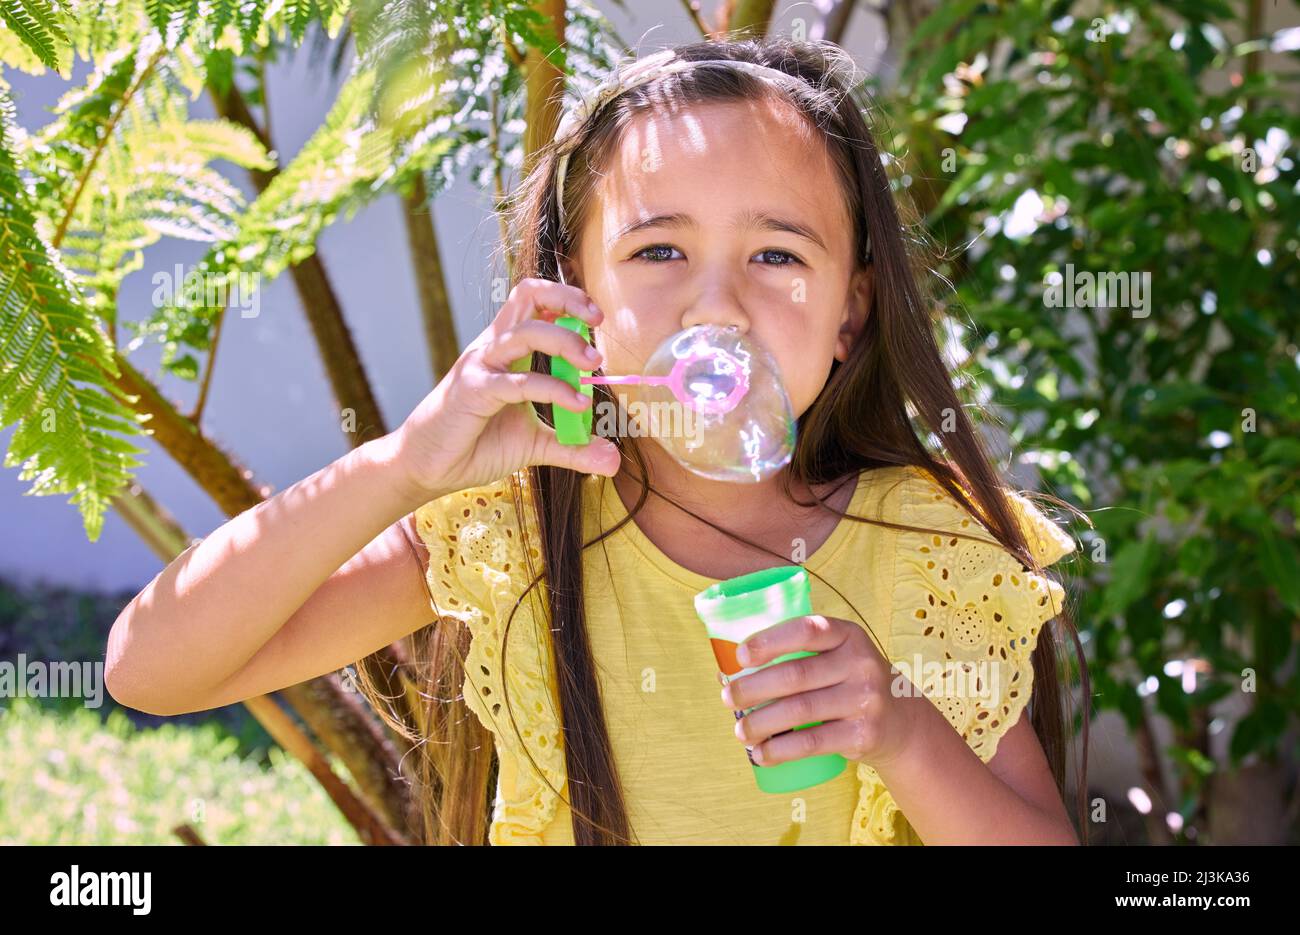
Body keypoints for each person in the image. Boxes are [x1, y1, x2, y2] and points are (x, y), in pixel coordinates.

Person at [106, 36, 1086, 846]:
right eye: (659, 249)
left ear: (849, 313)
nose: (718, 304)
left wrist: (904, 729)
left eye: (777, 253)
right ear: (575, 291)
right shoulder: (510, 531)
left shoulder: (927, 547)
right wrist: (402, 464)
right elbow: (150, 668)